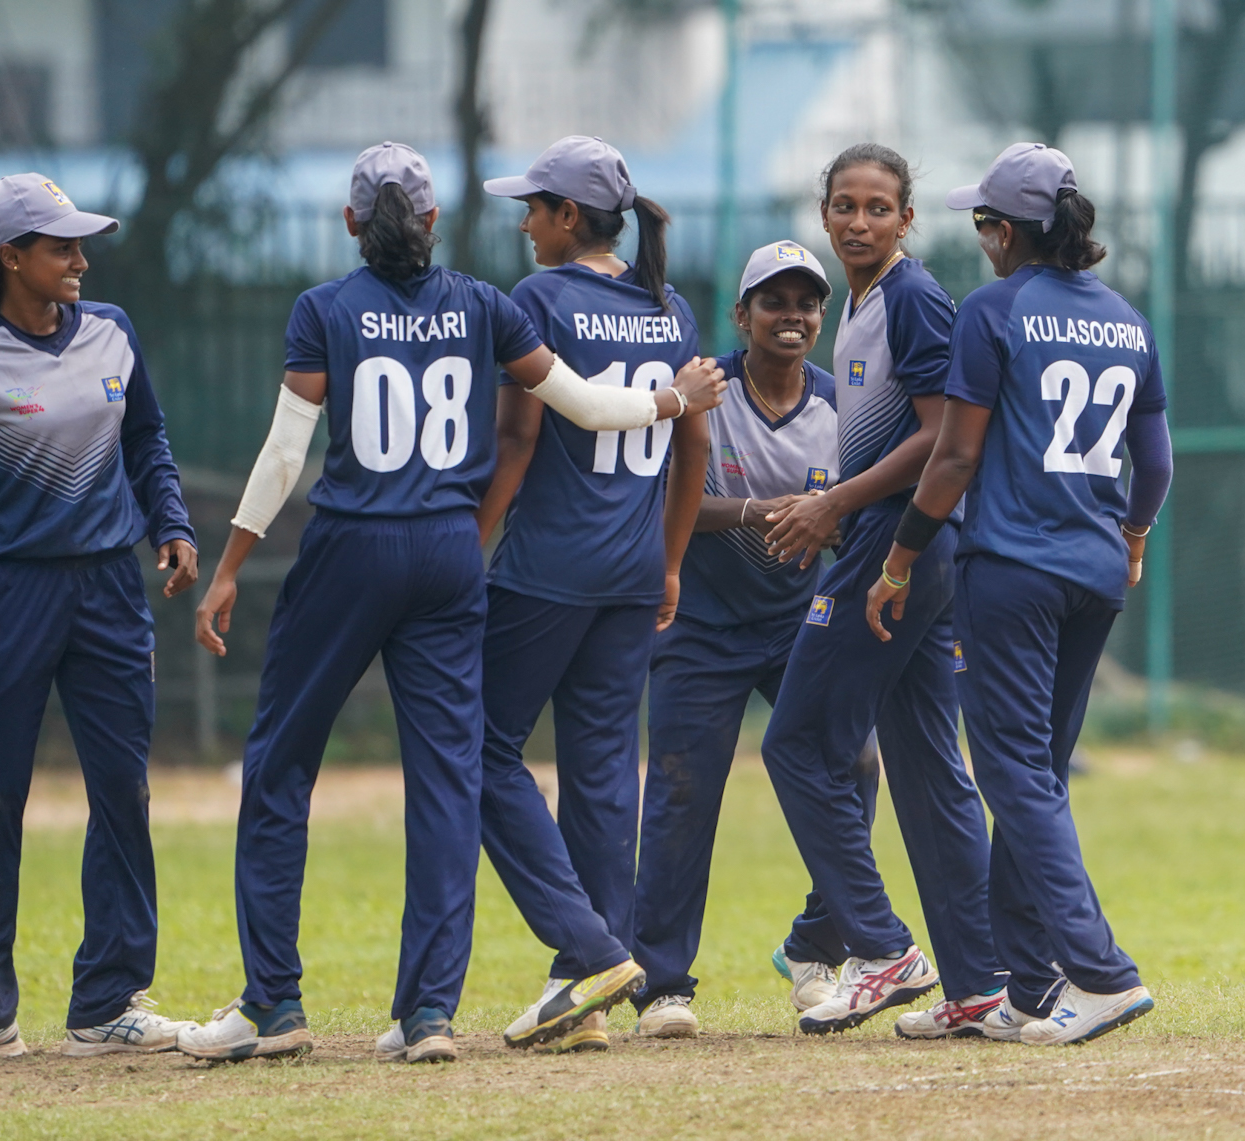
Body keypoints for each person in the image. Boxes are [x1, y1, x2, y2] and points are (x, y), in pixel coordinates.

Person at [176, 143, 723, 1065]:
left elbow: (282, 457)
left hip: (354, 547)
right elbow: (587, 405)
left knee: (278, 767)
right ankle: (428, 1013)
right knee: (444, 779)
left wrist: (231, 562)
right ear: (431, 222)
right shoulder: (485, 303)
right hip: (449, 555)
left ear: (352, 222)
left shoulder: (325, 309)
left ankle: (274, 1004)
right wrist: (672, 397)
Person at [864, 143, 1169, 1046]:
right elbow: (1151, 464)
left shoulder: (992, 310)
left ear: (1007, 232)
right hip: (1094, 570)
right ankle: (1029, 986)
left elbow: (954, 456)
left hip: (1012, 569)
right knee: (1036, 774)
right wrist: (1135, 535)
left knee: (1010, 772)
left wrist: (899, 558)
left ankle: (1102, 974)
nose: (981, 239)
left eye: (983, 223)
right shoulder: (1126, 317)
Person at [0, 174, 201, 1062]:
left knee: (123, 793)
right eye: (61, 246)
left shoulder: (113, 332)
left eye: (80, 244)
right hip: (9, 597)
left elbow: (147, 437)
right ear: (11, 258)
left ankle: (109, 1001)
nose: (81, 258)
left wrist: (171, 523)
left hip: (110, 592)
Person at [758, 143, 1006, 1037]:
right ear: (824, 213)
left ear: (906, 219)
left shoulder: (909, 297)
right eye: (845, 206)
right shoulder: (863, 300)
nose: (859, 222)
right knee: (929, 767)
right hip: (898, 542)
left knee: (793, 745)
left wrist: (838, 504)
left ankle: (883, 947)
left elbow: (942, 440)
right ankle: (981, 984)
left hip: (896, 545)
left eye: (878, 208)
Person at [471, 137, 710, 1054]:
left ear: (570, 216)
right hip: (630, 574)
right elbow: (692, 445)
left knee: (479, 746)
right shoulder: (669, 307)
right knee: (605, 772)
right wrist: (672, 561)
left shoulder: (542, 298)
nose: (524, 221)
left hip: (545, 570)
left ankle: (589, 946)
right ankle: (591, 990)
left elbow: (519, 440)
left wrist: (474, 541)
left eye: (533, 206)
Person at [628, 239, 845, 1039]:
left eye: (806, 303)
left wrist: (832, 520)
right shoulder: (706, 391)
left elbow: (849, 505)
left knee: (852, 766)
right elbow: (667, 500)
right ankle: (662, 985)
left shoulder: (837, 403)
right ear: (741, 314)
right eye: (775, 302)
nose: (792, 316)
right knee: (682, 789)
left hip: (799, 625)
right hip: (703, 626)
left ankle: (818, 950)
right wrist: (765, 511)